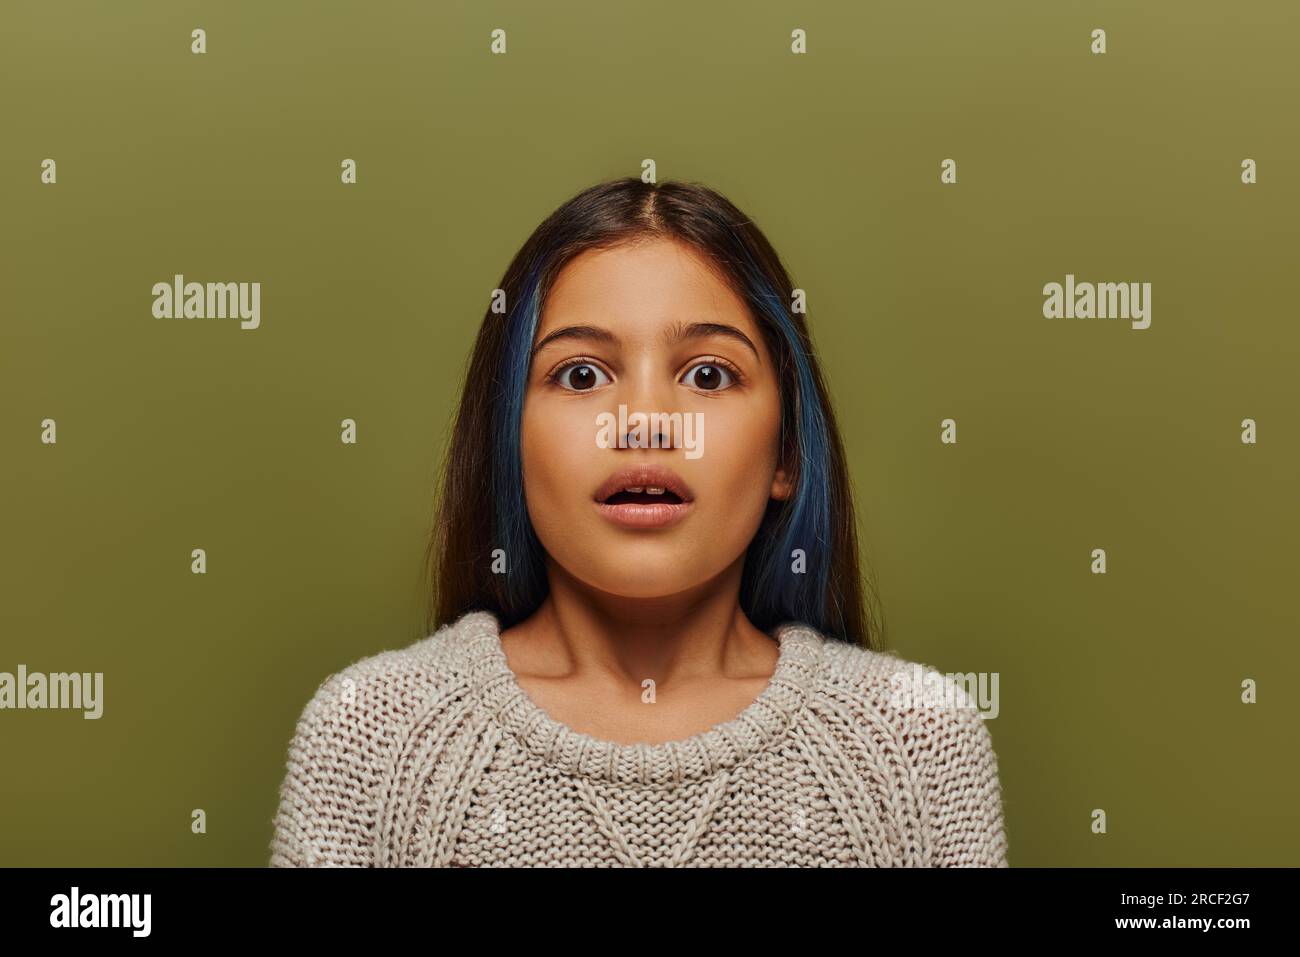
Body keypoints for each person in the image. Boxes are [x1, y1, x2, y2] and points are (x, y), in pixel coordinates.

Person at [269, 177, 1009, 867]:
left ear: (785, 451)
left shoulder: (917, 739)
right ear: (510, 442)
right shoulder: (371, 736)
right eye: (581, 374)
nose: (647, 424)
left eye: (709, 374)